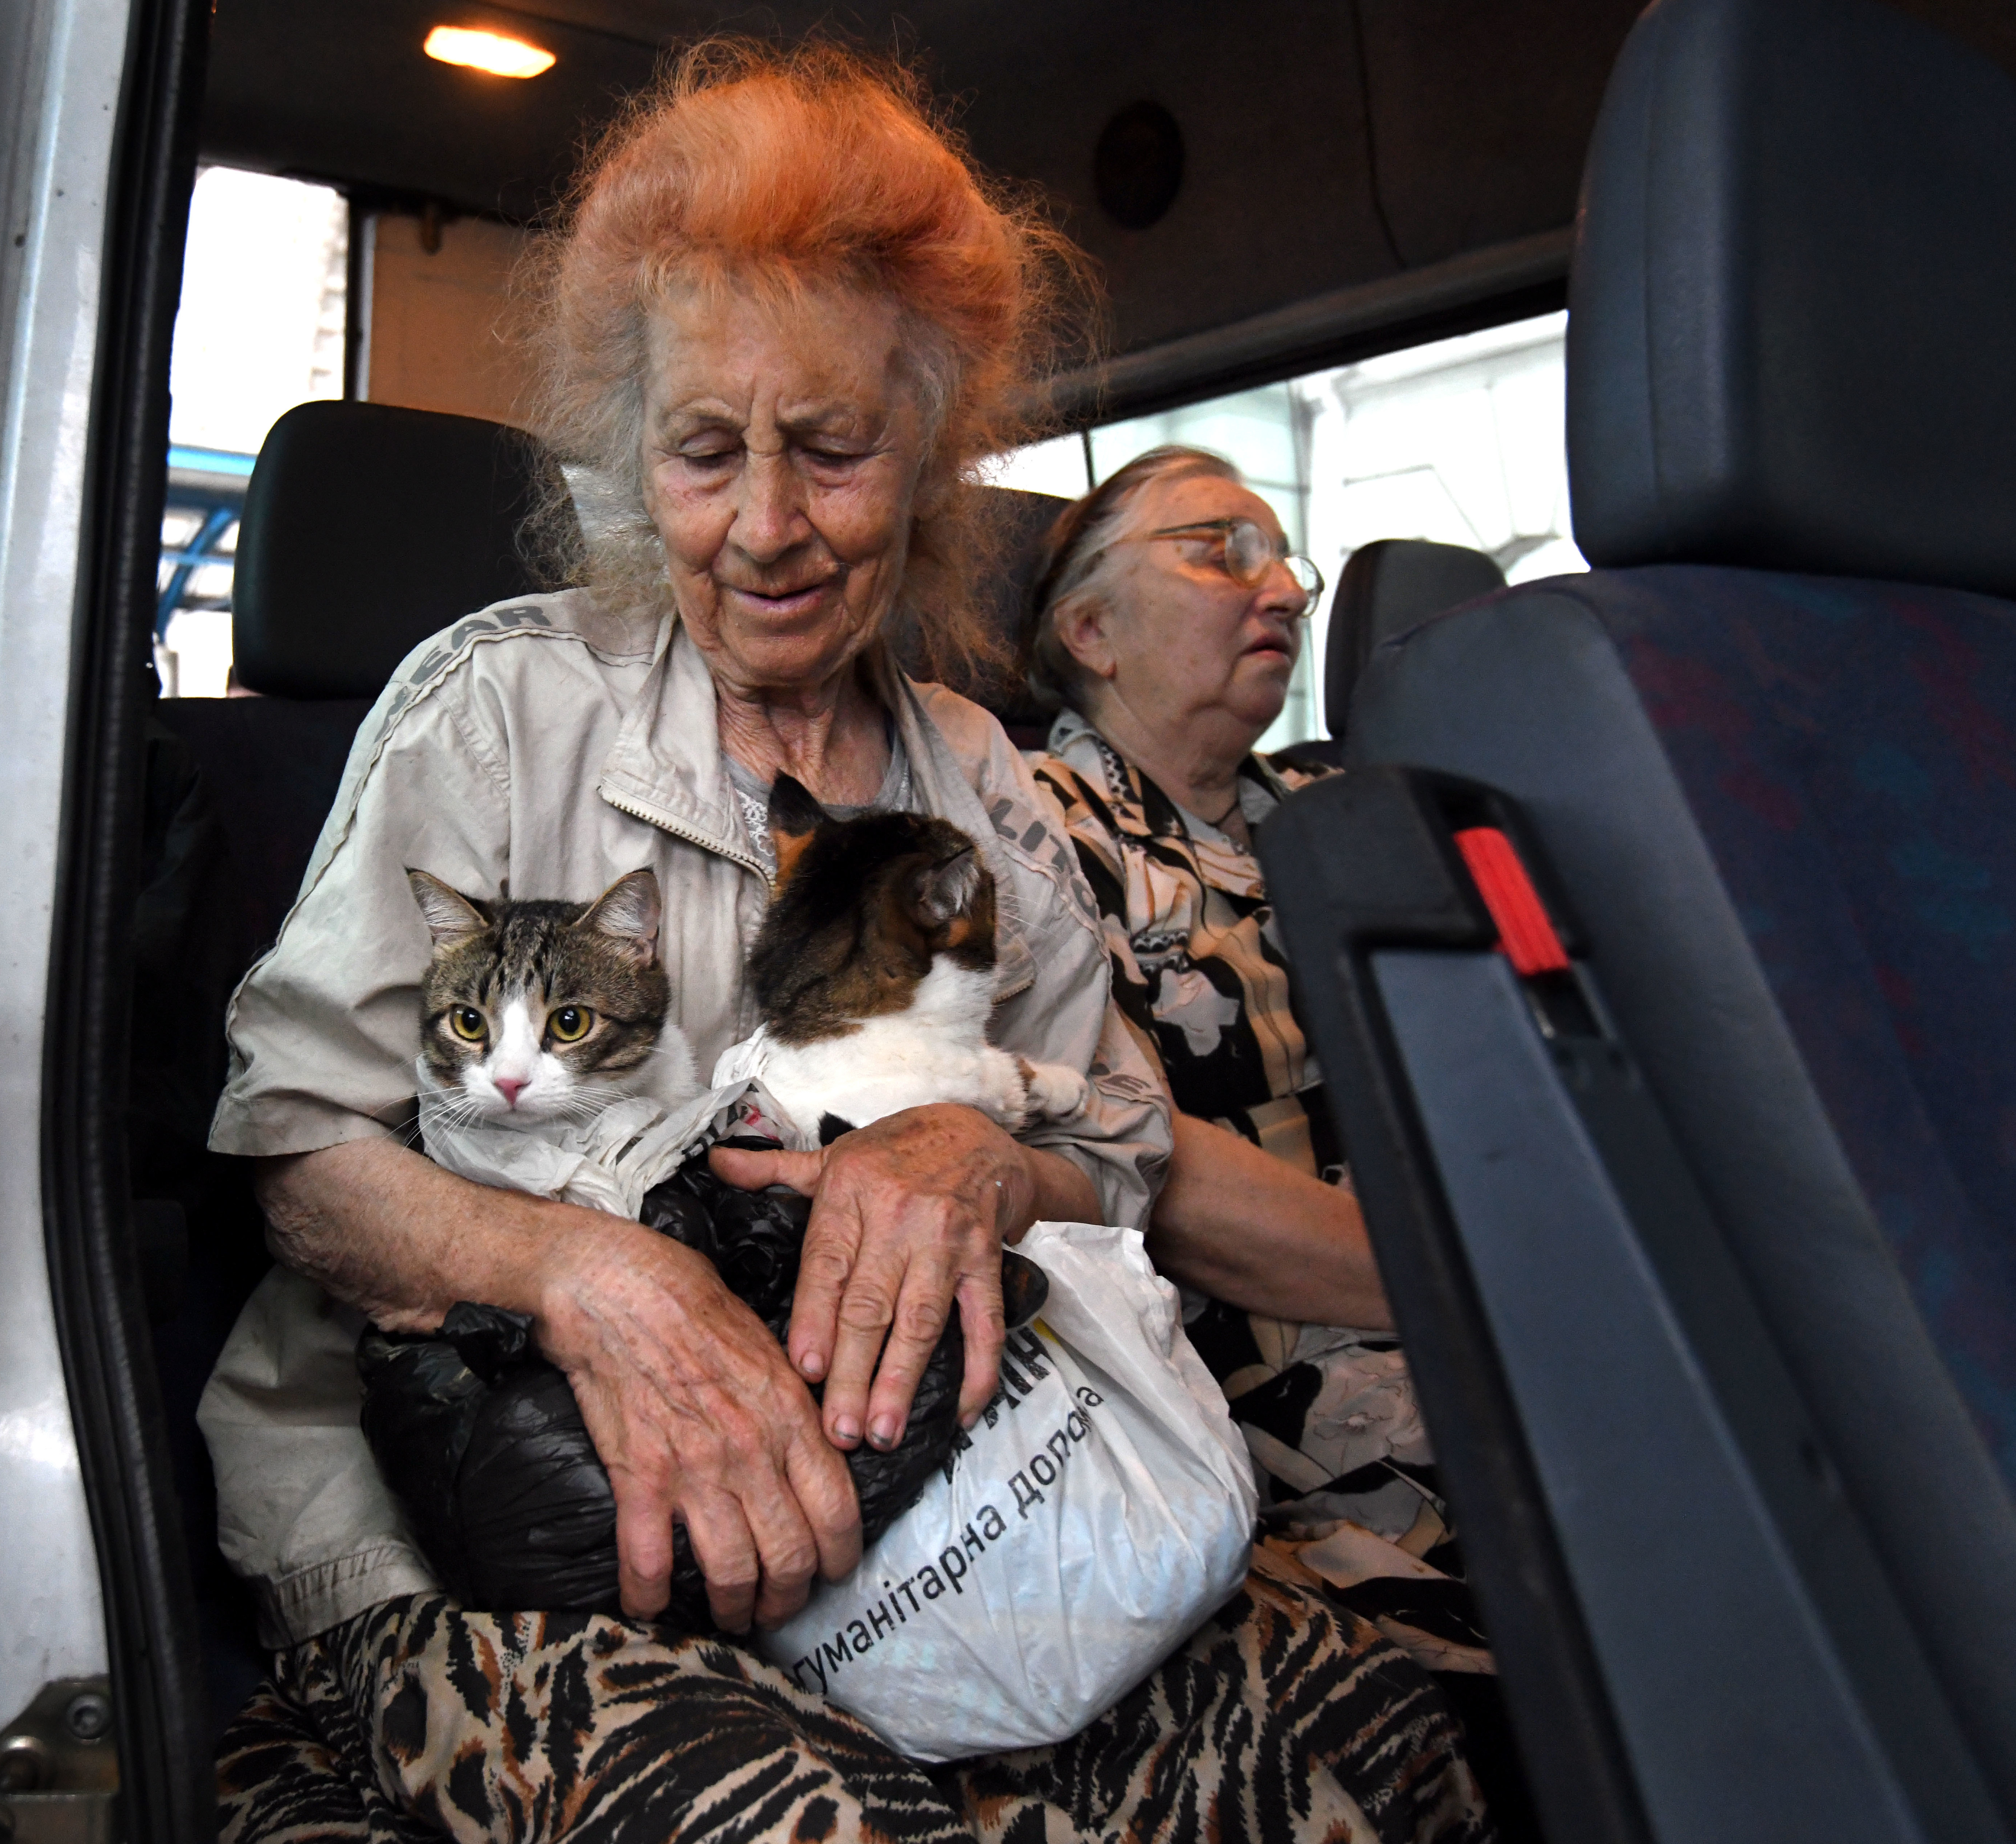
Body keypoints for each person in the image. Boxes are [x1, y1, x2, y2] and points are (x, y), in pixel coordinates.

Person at [204, 47, 1487, 1844]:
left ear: (940, 447)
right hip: (507, 1522)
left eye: (832, 448)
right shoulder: (494, 714)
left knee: (1361, 1728)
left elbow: (1108, 1143)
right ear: (632, 456)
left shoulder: (973, 769)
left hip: (951, 1494)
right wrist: (588, 1275)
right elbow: (296, 1157)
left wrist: (982, 1152)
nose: (765, 528)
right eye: (702, 452)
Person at [1023, 446, 1529, 1829]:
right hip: (1258, 1411)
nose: (1286, 587)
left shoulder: (1328, 815)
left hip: (1479, 1341)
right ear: (1088, 630)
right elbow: (1136, 1168)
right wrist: (1483, 1287)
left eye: (1283, 556)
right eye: (1217, 549)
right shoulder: (1034, 834)